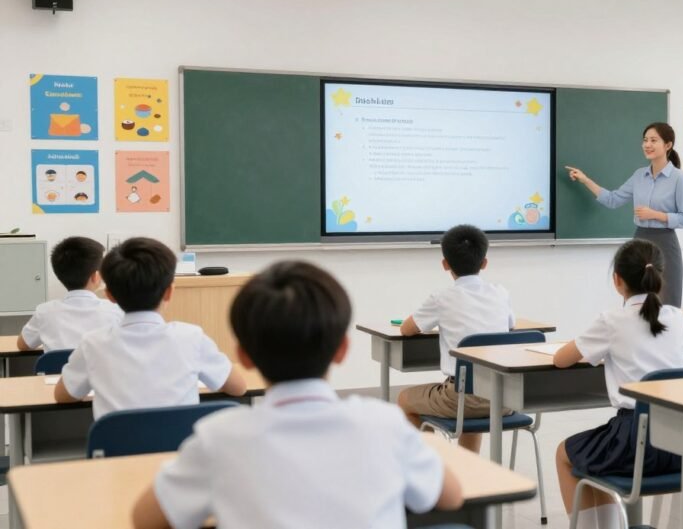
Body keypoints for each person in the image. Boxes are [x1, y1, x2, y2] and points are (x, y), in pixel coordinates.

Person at [131, 261, 463, 529]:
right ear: (342, 351)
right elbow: (450, 498)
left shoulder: (219, 438)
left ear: (243, 356)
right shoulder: (385, 424)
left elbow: (144, 520)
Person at [552, 239, 683, 529]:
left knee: (567, 454)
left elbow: (561, 360)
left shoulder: (612, 320)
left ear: (617, 280)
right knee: (590, 457)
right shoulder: (678, 318)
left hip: (633, 441)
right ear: (660, 277)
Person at [54, 237, 247, 419]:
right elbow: (239, 388)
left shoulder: (92, 344)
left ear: (110, 296)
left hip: (117, 452)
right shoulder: (191, 337)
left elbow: (63, 395)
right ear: (169, 292)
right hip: (179, 450)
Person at [396, 224, 515, 453]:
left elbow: (406, 329)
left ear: (445, 264)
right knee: (478, 381)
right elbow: (511, 327)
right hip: (505, 398)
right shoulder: (501, 293)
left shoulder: (442, 298)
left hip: (463, 399)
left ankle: (434, 464)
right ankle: (466, 465)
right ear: (484, 263)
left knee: (404, 399)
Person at [565, 122, 683, 307]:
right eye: (645, 140)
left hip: (665, 244)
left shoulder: (679, 179)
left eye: (653, 140)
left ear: (668, 145)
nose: (647, 145)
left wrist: (656, 215)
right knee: (634, 301)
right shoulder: (639, 175)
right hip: (640, 241)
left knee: (667, 303)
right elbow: (613, 199)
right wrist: (585, 180)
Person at [18, 236, 123, 352]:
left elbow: (23, 345)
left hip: (60, 370)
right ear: (96, 276)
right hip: (101, 370)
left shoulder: (45, 312)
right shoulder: (115, 311)